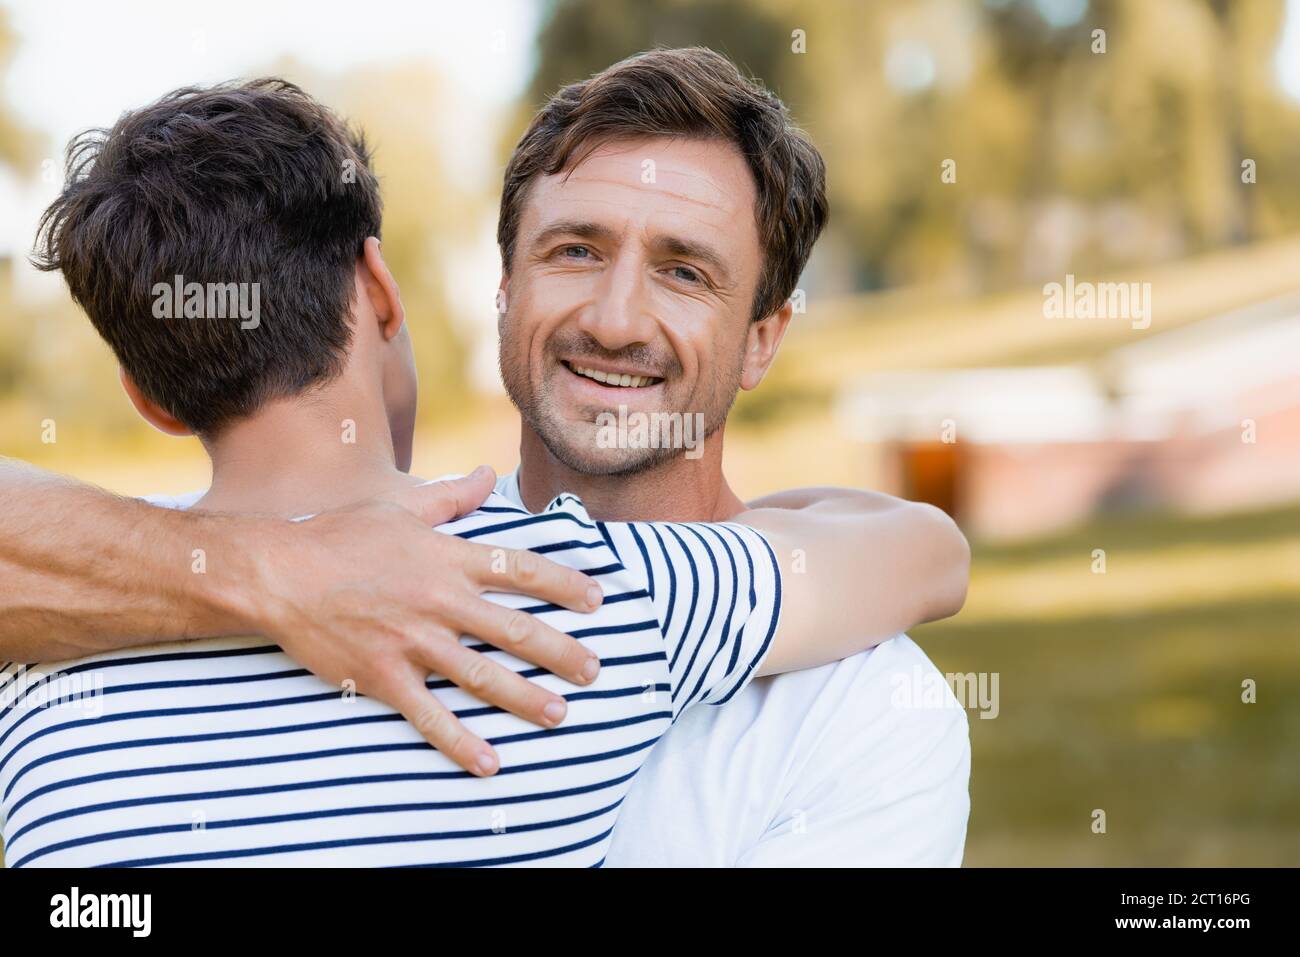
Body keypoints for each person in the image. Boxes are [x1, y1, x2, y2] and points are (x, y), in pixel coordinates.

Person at [0, 70, 966, 867]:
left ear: (148, 396)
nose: (616, 319)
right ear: (401, 290)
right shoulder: (611, 600)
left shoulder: (47, 642)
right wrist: (279, 574)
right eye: (575, 249)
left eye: (684, 270)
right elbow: (930, 555)